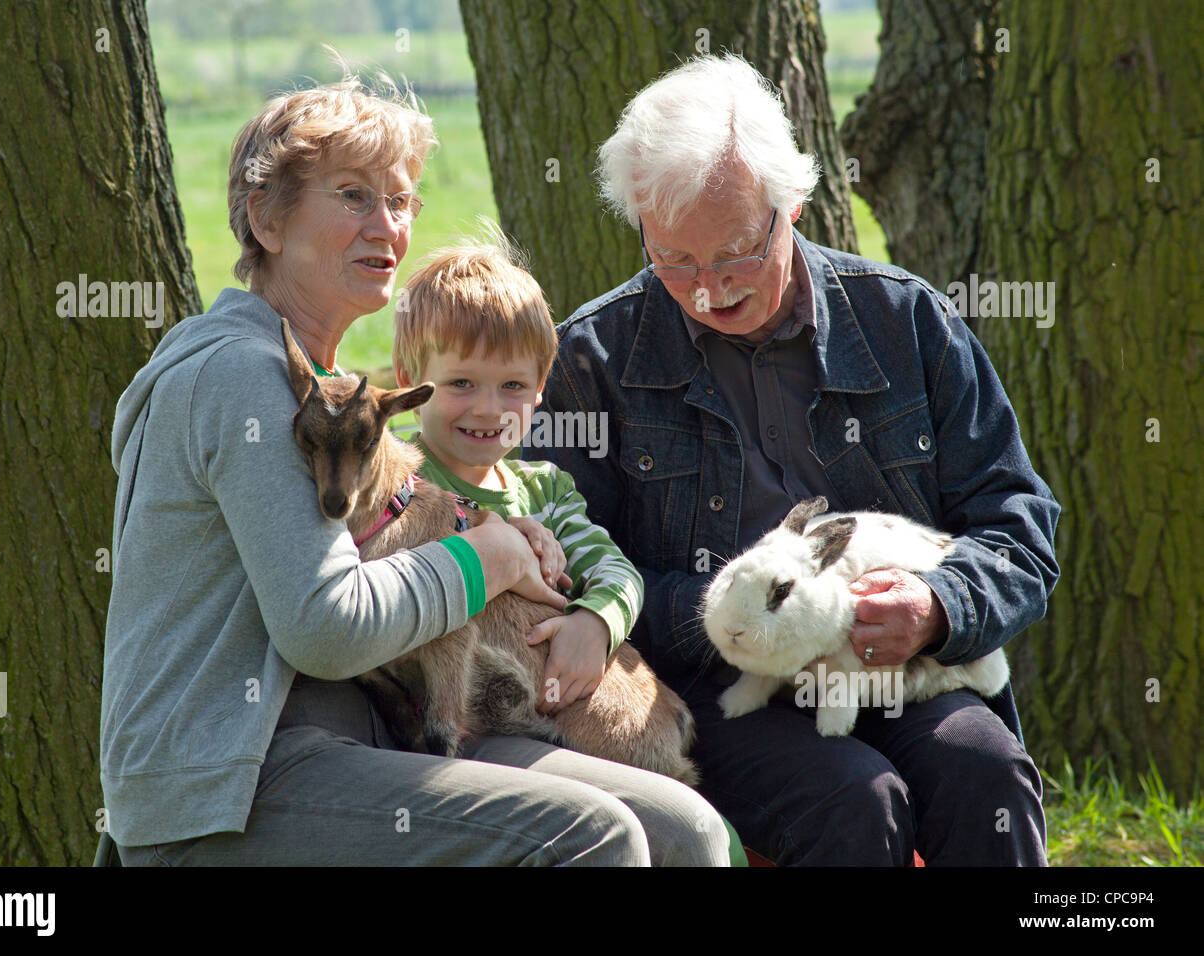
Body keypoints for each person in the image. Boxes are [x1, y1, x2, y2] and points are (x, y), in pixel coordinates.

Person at [99, 74, 728, 866]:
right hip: (228, 783)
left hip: (365, 735)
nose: (388, 227)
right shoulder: (239, 375)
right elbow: (326, 630)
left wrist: (495, 533)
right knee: (593, 839)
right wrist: (489, 557)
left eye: (401, 204)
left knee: (688, 831)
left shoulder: (316, 382)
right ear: (265, 217)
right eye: (356, 196)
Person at [537, 54, 1062, 865]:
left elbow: (1018, 525)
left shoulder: (905, 321)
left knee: (982, 770)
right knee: (854, 797)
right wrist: (738, 617)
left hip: (897, 667)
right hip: (710, 690)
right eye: (673, 260)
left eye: (737, 254)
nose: (708, 289)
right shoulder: (592, 360)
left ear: (795, 206)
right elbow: (569, 574)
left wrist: (938, 606)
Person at [392, 235, 746, 864]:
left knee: (688, 824)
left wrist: (594, 620)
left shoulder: (544, 489)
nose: (487, 409)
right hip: (464, 717)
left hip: (559, 708)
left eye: (512, 386)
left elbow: (615, 571)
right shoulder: (402, 477)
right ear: (407, 383)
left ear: (540, 386)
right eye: (461, 383)